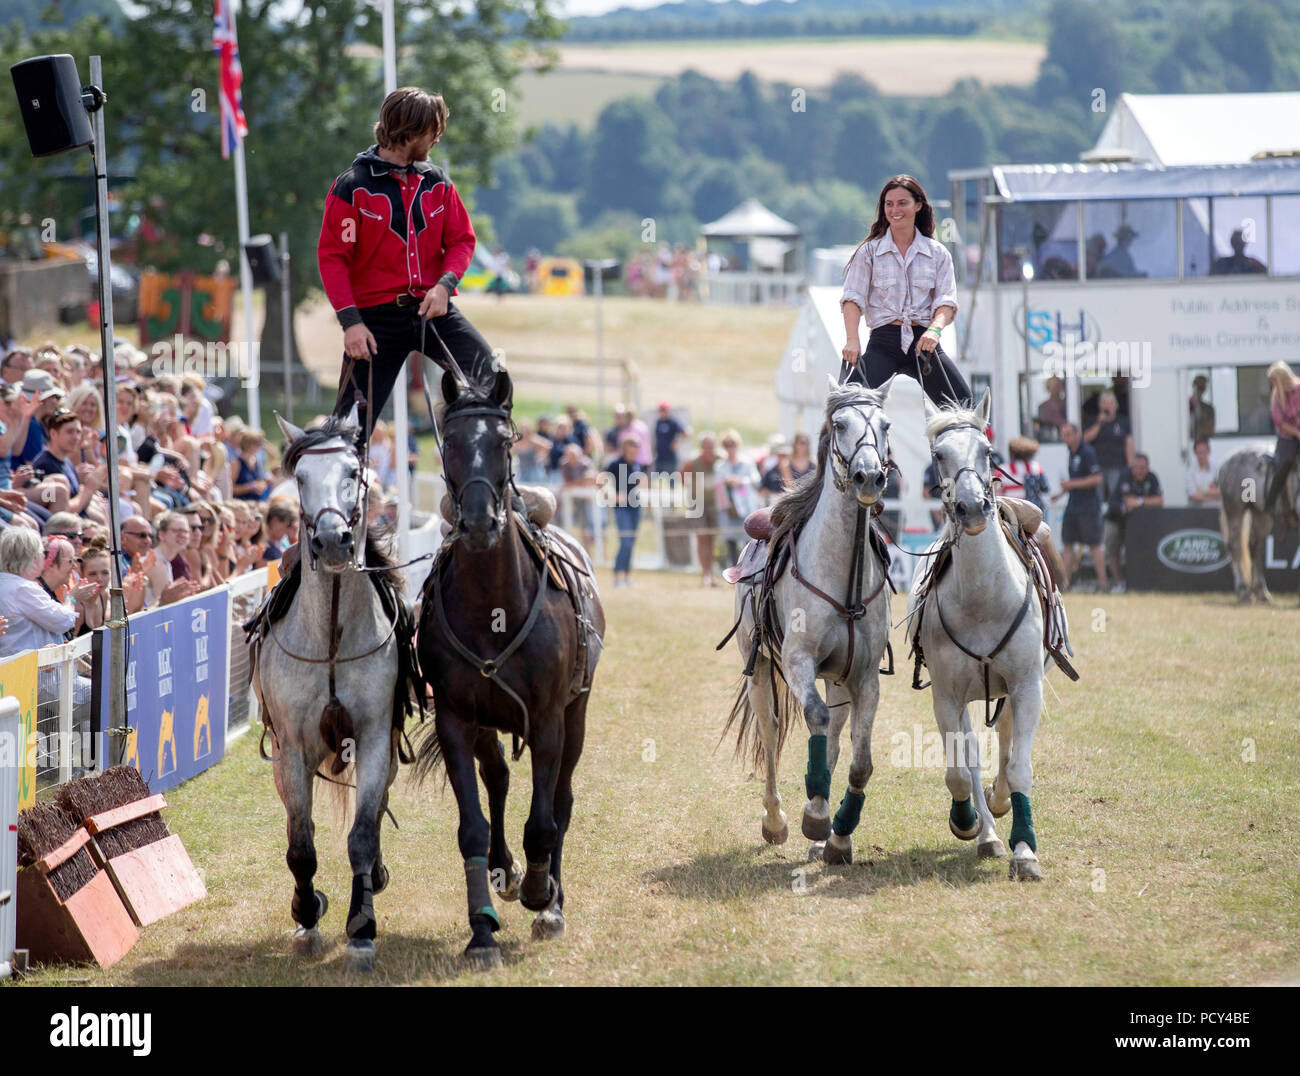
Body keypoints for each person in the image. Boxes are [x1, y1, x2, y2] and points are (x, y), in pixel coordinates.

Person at [319, 87, 495, 436]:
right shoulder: (352, 187)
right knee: (348, 429)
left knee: (490, 378)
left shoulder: (438, 183)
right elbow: (333, 258)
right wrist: (351, 322)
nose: (436, 139)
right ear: (411, 132)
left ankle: (475, 479)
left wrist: (445, 285)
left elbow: (462, 240)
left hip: (432, 312)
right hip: (374, 323)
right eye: (433, 132)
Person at [840, 174, 969, 408]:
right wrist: (852, 339)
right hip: (883, 342)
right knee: (848, 406)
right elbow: (852, 298)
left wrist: (934, 330)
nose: (894, 209)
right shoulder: (868, 252)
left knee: (966, 406)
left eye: (902, 203)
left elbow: (946, 303)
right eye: (889, 204)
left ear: (918, 205)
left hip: (925, 344)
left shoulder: (938, 253)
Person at [1052, 422, 1108, 592]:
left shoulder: (1087, 452)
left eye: (1069, 434)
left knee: (1094, 544)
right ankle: (1065, 584)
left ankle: (1104, 584)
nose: (1066, 438)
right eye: (1063, 434)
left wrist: (1071, 484)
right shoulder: (1071, 453)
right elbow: (1074, 482)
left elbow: (1097, 479)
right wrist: (1062, 493)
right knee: (1067, 543)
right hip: (1073, 504)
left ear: (1077, 434)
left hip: (1088, 506)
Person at [1103, 453, 1163, 587]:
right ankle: (1119, 583)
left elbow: (1159, 500)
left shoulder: (1152, 478)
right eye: (1136, 467)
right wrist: (1143, 502)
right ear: (1132, 467)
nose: (1139, 471)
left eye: (1142, 467)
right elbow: (1127, 501)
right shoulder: (1125, 476)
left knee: (1141, 550)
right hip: (1116, 518)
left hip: (1138, 523)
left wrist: (1140, 501)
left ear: (1148, 468)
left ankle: (1142, 582)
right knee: (1113, 548)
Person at [715, 430, 761, 566]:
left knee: (748, 538)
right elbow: (717, 484)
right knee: (731, 539)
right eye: (726, 444)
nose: (730, 447)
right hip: (730, 508)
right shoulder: (720, 466)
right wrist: (726, 481)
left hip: (746, 507)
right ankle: (734, 568)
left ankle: (749, 567)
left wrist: (740, 481)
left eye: (732, 444)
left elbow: (756, 480)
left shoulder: (747, 463)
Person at [604, 434, 644, 588]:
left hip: (635, 507)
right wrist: (611, 494)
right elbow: (603, 480)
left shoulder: (636, 465)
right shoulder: (615, 464)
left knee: (631, 542)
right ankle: (617, 575)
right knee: (625, 542)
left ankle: (627, 576)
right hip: (622, 508)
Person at [682, 434, 722, 586]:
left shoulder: (719, 461)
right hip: (697, 504)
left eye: (711, 446)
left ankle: (710, 574)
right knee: (702, 537)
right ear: (701, 447)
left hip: (714, 504)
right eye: (706, 446)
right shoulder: (692, 463)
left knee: (712, 539)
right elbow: (682, 478)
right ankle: (705, 573)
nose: (709, 450)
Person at [1263, 361, 1300, 521]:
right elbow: (1279, 422)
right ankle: (1271, 503)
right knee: (1284, 463)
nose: (1273, 384)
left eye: (1274, 380)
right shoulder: (1277, 396)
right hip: (1288, 437)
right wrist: (1297, 433)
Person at [1082, 390, 1134, 503]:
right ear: (1100, 406)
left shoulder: (1122, 421)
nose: (1107, 406)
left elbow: (1128, 443)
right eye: (1104, 403)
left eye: (1110, 403)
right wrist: (1099, 423)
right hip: (1097, 467)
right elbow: (1085, 439)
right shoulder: (1093, 420)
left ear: (1115, 406)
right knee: (1097, 499)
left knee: (1115, 497)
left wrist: (1130, 466)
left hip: (1117, 466)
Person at [1000, 435, 1050, 511]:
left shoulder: (1003, 469)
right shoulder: (1036, 467)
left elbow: (998, 493)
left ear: (1011, 453)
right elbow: (1045, 488)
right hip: (1035, 512)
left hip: (1013, 513)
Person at [652, 401, 688, 476]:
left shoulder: (672, 422)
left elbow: (685, 433)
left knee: (672, 480)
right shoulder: (658, 422)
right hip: (659, 457)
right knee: (656, 481)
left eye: (664, 410)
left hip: (670, 458)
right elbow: (656, 438)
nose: (662, 412)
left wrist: (677, 442)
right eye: (660, 410)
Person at [1185, 437, 1220, 505]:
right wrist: (1213, 496)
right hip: (1197, 511)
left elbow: (1221, 492)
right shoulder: (1190, 472)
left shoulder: (1217, 469)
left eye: (1204, 452)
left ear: (1209, 451)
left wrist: (1203, 491)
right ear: (1195, 453)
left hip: (1215, 510)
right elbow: (1193, 495)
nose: (1201, 456)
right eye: (1199, 452)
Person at [1188, 375, 1216, 442]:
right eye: (1198, 386)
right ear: (1193, 386)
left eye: (1202, 387)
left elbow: (1210, 430)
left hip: (1203, 443)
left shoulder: (1209, 409)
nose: (1200, 389)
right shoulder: (1185, 406)